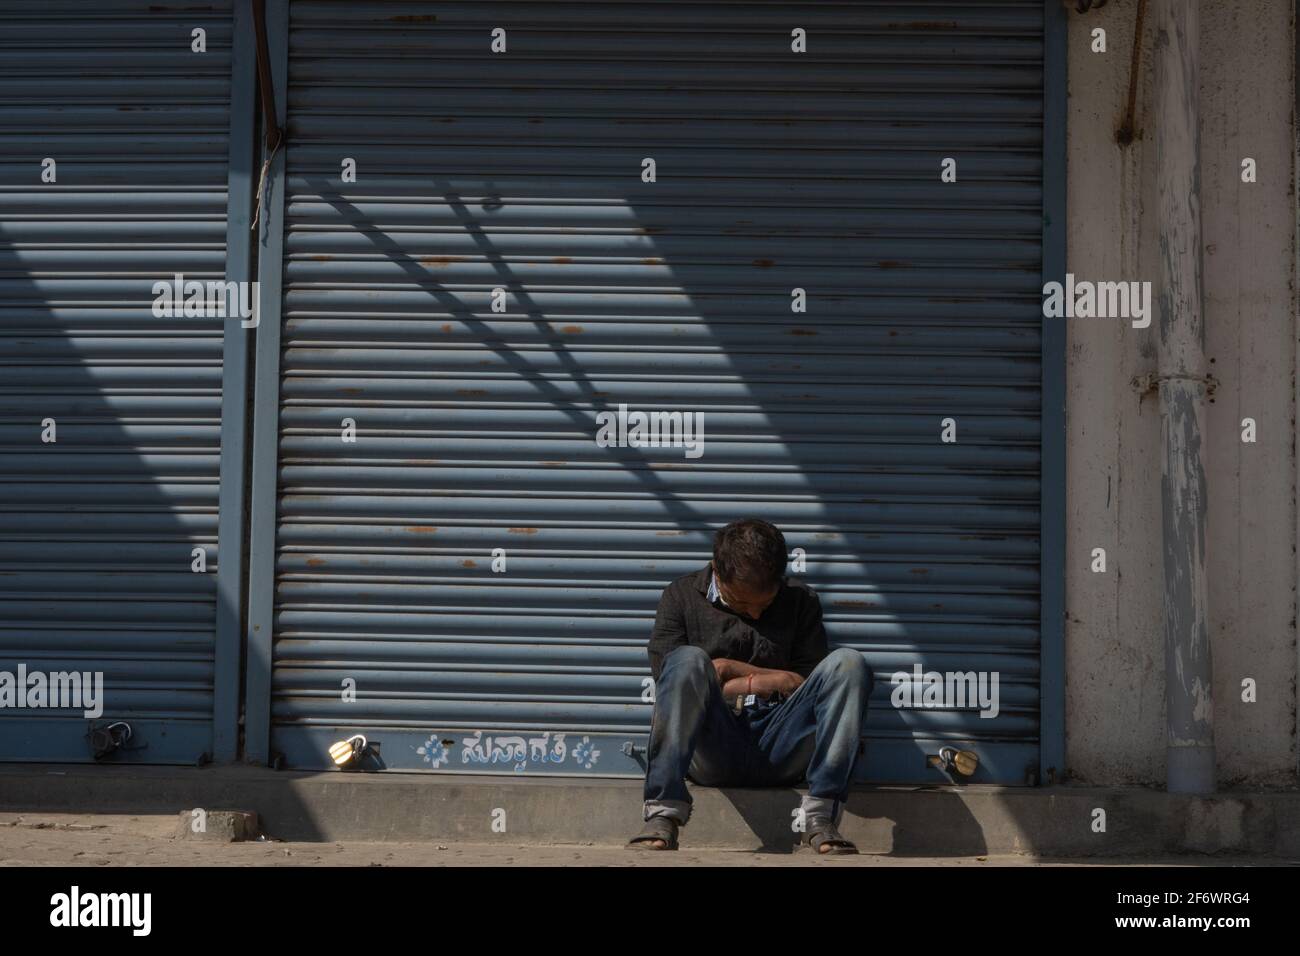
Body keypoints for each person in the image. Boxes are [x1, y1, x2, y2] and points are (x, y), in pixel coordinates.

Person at [627, 517, 873, 853]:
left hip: (782, 745)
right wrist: (767, 680)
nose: (755, 615)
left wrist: (728, 670)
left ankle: (820, 817)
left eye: (766, 604)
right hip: (713, 747)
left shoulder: (801, 601)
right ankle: (663, 814)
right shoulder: (680, 597)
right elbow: (674, 685)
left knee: (849, 664)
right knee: (686, 661)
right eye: (742, 604)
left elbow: (804, 684)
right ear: (717, 571)